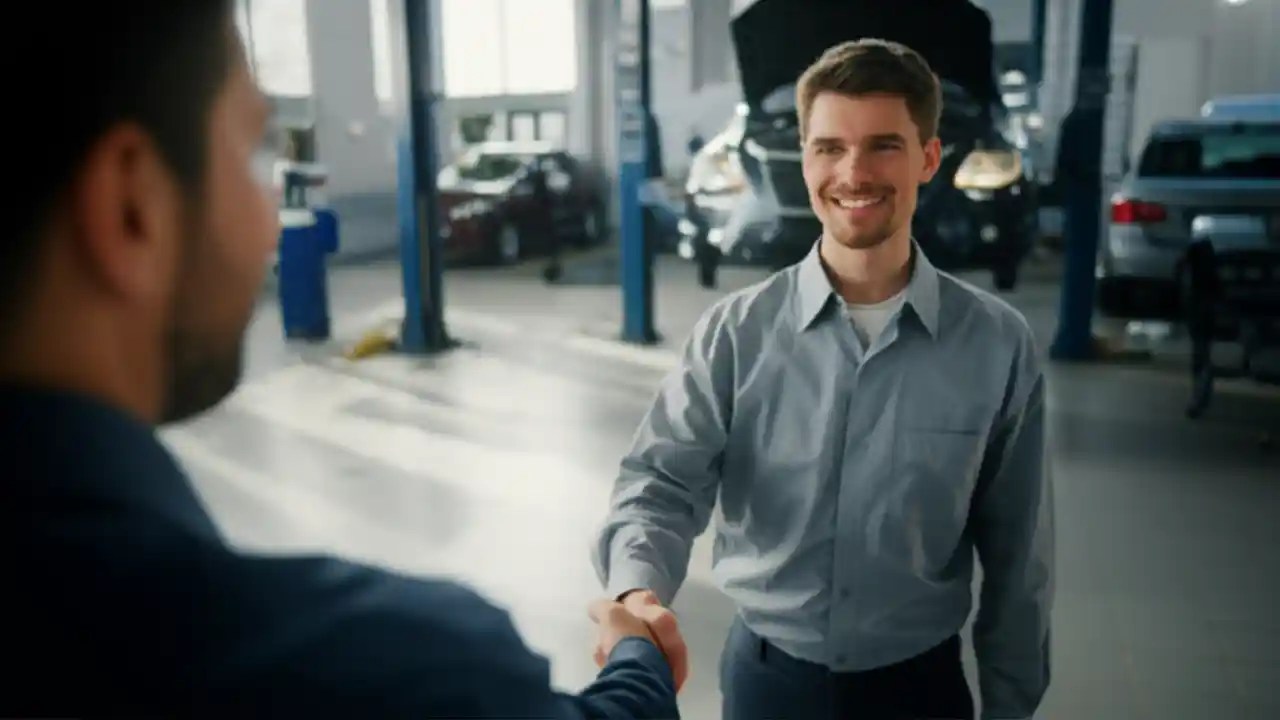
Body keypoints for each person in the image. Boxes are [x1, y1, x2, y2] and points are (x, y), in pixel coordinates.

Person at [1, 3, 681, 717]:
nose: (269, 215)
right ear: (132, 205)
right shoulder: (392, 674)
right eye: (252, 152)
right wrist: (638, 654)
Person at [593, 39, 1053, 720]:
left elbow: (1020, 555)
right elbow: (659, 486)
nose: (854, 172)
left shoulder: (995, 343)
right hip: (767, 684)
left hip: (921, 692)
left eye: (884, 146)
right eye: (829, 147)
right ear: (804, 158)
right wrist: (636, 594)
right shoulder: (736, 334)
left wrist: (1011, 706)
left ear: (930, 157)